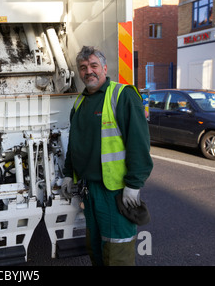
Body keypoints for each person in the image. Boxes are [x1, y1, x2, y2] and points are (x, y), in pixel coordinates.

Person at [61, 46, 153, 266]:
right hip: (90, 191)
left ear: (104, 67)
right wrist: (67, 174)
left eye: (93, 66)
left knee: (117, 250)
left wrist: (134, 184)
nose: (88, 71)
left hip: (115, 191)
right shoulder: (80, 103)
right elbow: (75, 144)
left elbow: (139, 143)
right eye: (83, 68)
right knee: (97, 249)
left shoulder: (122, 95)